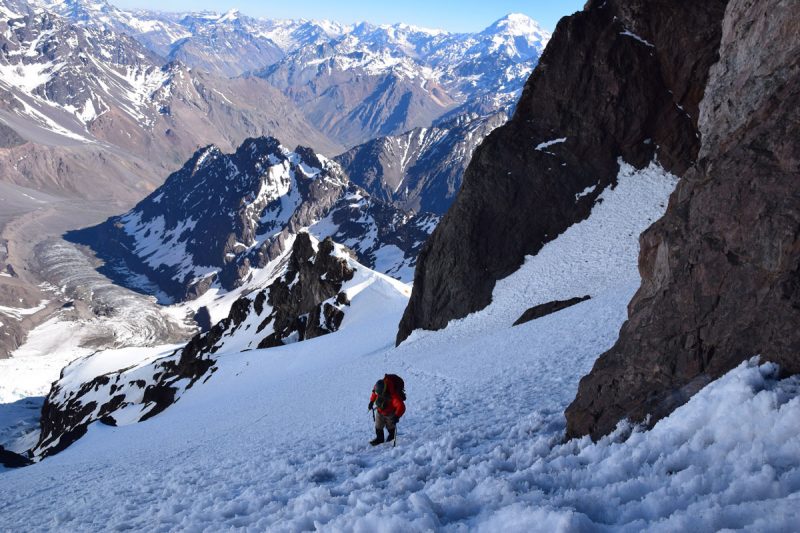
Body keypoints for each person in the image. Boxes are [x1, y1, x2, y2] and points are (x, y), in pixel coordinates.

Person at [368, 376, 405, 446]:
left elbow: (401, 406)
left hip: (390, 413)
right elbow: (374, 393)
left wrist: (396, 416)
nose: (378, 395)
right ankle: (379, 439)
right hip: (380, 411)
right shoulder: (378, 387)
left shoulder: (393, 395)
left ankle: (391, 436)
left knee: (390, 427)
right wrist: (371, 401)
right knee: (378, 426)